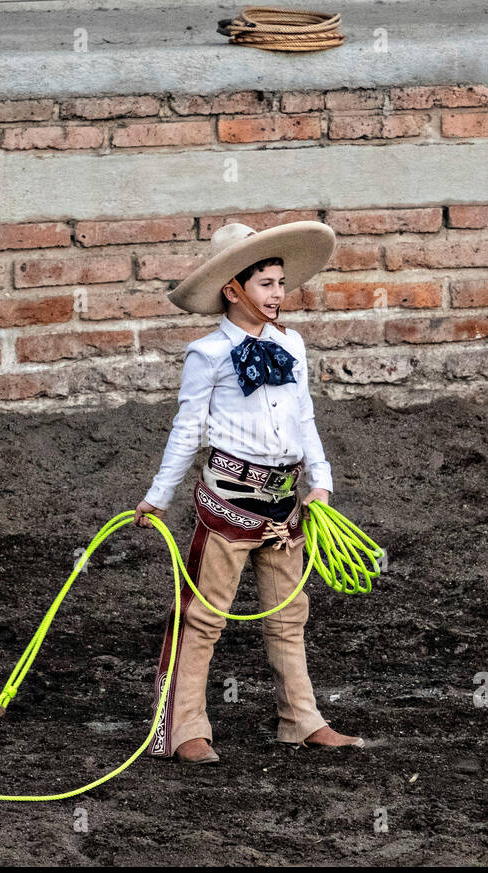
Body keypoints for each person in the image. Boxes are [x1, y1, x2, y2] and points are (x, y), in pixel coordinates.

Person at [133, 220, 365, 765]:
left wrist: (322, 481)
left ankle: (301, 718)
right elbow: (187, 430)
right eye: (265, 284)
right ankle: (182, 725)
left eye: (281, 283)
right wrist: (157, 496)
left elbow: (304, 417)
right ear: (233, 290)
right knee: (204, 614)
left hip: (286, 506)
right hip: (228, 504)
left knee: (289, 613)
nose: (278, 294)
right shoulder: (207, 355)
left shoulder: (293, 345)